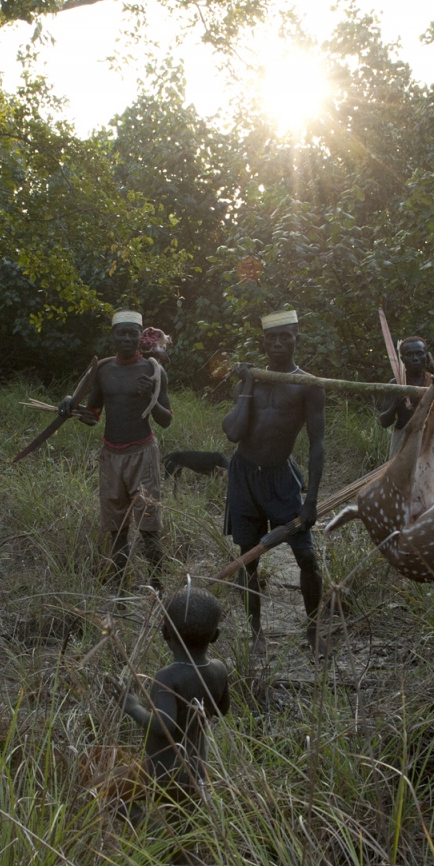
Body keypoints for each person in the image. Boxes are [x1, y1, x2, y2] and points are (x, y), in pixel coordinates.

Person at [221, 308, 326, 648]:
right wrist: (249, 384)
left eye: (286, 337)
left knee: (306, 557)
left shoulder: (308, 385)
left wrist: (311, 501)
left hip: (281, 479)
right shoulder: (251, 379)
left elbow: (317, 444)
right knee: (248, 557)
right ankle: (255, 634)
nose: (278, 344)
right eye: (272, 338)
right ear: (264, 342)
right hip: (245, 476)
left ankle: (312, 631)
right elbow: (233, 433)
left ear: (298, 338)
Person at [66, 310, 173, 586]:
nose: (126, 338)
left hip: (143, 455)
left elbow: (166, 421)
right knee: (116, 531)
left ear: (140, 337)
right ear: (112, 335)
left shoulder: (153, 370)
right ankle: (119, 595)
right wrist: (70, 406)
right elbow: (93, 414)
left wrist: (150, 395)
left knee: (149, 529)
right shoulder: (102, 370)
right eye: (121, 333)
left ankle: (157, 592)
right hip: (111, 456)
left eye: (132, 333)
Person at [121, 587, 230, 817]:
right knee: (183, 825)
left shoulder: (167, 677)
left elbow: (163, 726)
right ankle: (178, 849)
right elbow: (222, 710)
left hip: (162, 771)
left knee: (108, 793)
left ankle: (156, 833)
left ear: (165, 633)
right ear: (215, 636)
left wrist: (133, 707)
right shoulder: (220, 670)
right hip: (196, 771)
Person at [376, 335, 434, 499]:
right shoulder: (396, 384)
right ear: (402, 359)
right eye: (410, 355)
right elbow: (384, 422)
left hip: (430, 440)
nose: (416, 358)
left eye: (419, 353)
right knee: (401, 490)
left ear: (426, 355)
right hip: (403, 442)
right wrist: (395, 405)